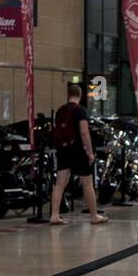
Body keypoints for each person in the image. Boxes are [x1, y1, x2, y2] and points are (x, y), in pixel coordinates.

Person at [50, 85, 107, 225]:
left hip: (63, 149)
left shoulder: (60, 110)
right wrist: (90, 152)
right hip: (77, 151)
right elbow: (84, 132)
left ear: (67, 95)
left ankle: (54, 215)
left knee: (59, 184)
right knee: (87, 184)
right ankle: (94, 216)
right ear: (80, 95)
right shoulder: (80, 111)